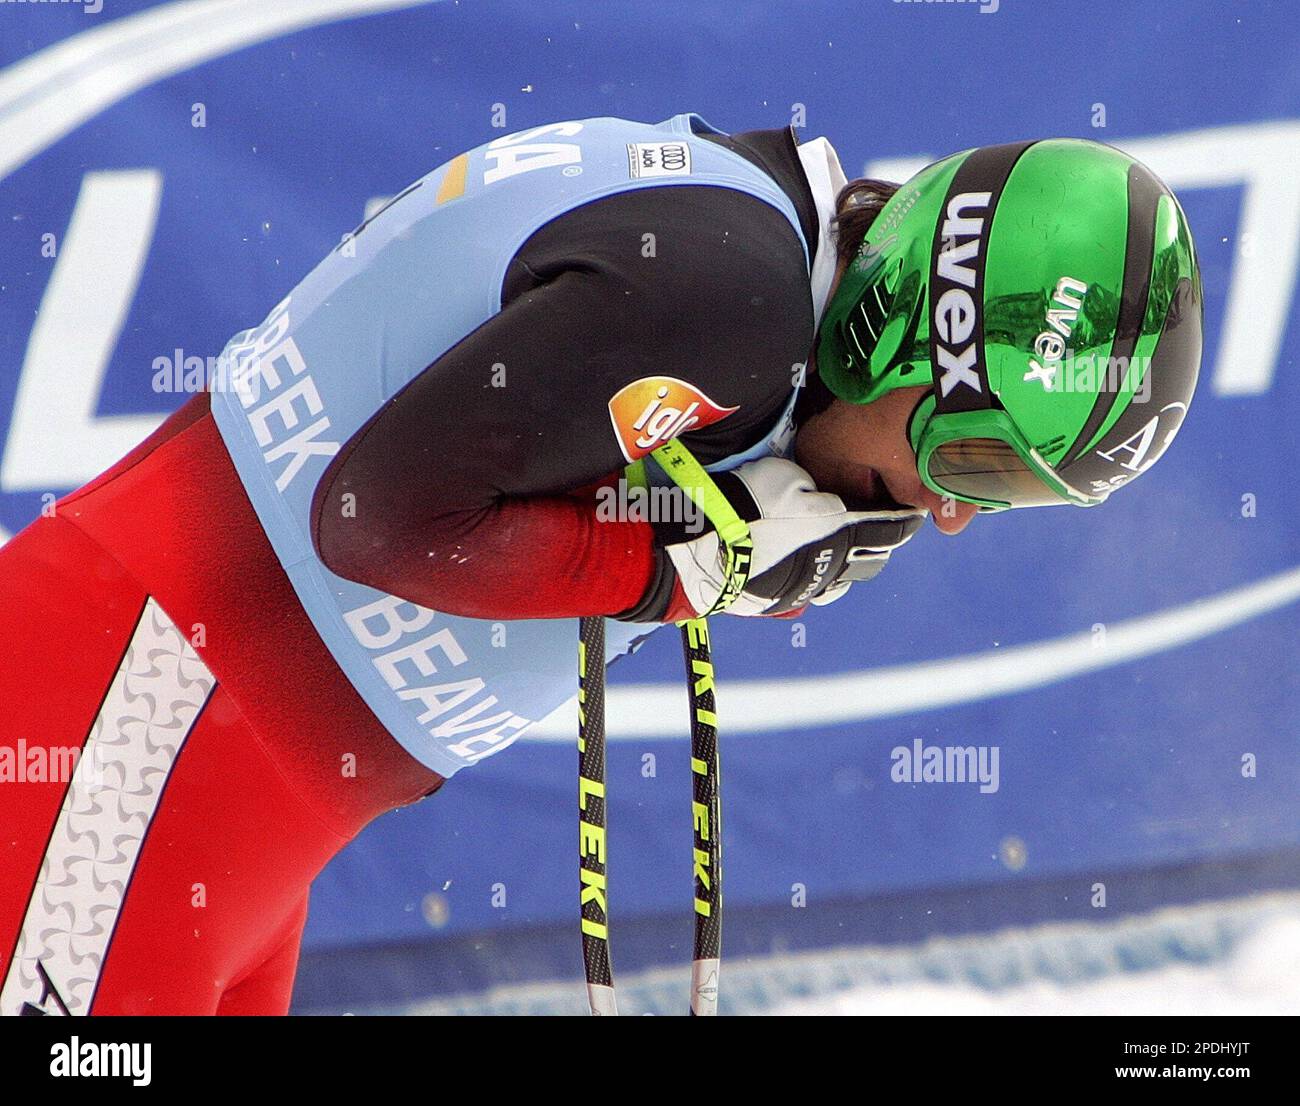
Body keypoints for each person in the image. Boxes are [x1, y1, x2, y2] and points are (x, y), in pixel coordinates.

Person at [0, 113, 1201, 1015]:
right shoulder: (732, 297)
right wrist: (672, 565)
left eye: (1006, 497)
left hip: (205, 797)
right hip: (128, 750)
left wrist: (685, 545)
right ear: (901, 333)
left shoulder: (749, 244)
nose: (948, 513)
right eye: (975, 464)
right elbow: (374, 521)